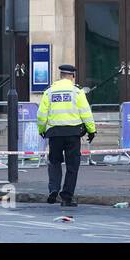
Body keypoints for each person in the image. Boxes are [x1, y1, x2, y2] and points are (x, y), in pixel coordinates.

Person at [36, 64, 96, 207]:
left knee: (54, 162)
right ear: (72, 77)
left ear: (61, 76)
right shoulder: (77, 92)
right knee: (72, 166)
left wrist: (42, 129)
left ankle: (54, 189)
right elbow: (86, 113)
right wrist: (91, 130)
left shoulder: (49, 92)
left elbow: (41, 114)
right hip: (73, 134)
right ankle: (67, 196)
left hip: (55, 134)